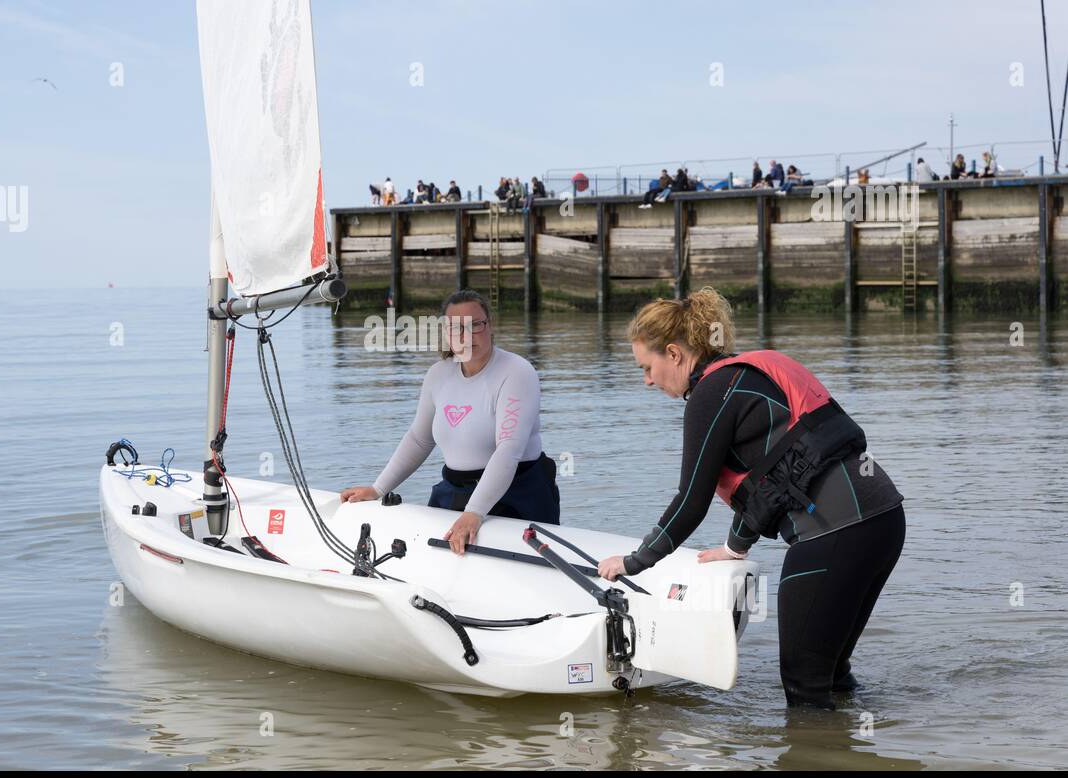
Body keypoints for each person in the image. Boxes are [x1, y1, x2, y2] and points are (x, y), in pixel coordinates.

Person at [596, 288, 906, 710]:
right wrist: (733, 547)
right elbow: (774, 476)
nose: (647, 380)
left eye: (647, 367)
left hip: (835, 535)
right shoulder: (745, 374)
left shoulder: (708, 395)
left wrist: (633, 562)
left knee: (804, 683)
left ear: (673, 353)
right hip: (884, 519)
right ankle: (859, 742)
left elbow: (691, 501)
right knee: (829, 673)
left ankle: (813, 755)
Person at [340, 289, 560, 552]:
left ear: (489, 326)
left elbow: (509, 450)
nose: (466, 336)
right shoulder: (438, 375)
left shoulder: (517, 372)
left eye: (475, 325)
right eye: (457, 328)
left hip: (519, 494)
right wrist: (377, 489)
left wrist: (474, 513)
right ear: (446, 333)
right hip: (453, 491)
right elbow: (419, 439)